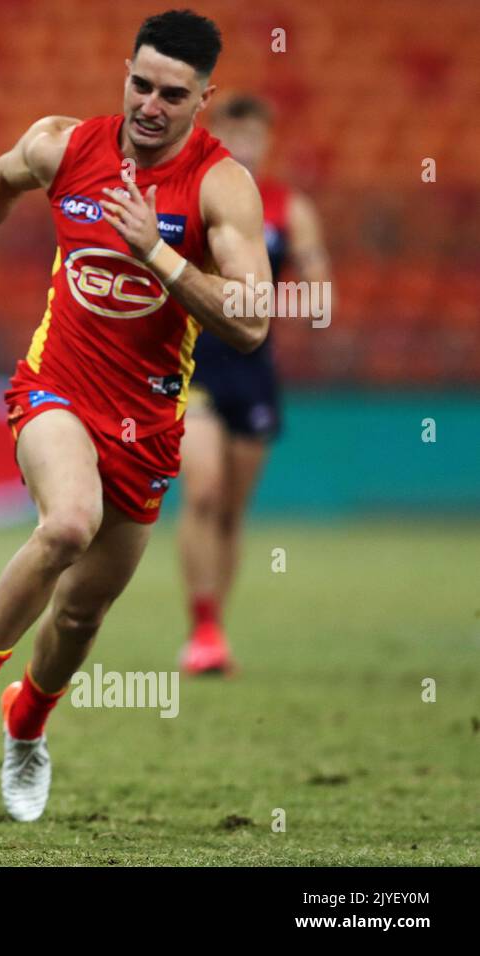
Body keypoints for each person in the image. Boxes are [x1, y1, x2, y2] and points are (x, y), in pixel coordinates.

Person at [0, 9, 271, 823]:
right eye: (139, 83)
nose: (149, 104)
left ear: (203, 98)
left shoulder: (220, 185)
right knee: (67, 524)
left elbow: (252, 321)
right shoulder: (65, 146)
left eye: (171, 94)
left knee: (80, 613)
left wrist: (159, 251)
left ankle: (26, 726)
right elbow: (1, 180)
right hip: (54, 387)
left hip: (147, 421)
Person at [176, 93, 331, 675]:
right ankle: (203, 628)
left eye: (253, 134)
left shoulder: (290, 207)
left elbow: (317, 291)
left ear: (267, 141)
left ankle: (216, 624)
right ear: (212, 135)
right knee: (204, 492)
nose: (243, 143)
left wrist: (299, 292)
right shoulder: (189, 197)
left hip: (252, 368)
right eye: (231, 131)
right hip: (192, 365)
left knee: (233, 512)